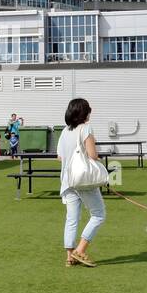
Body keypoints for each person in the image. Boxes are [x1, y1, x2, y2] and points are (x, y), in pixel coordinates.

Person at [56, 97, 105, 268]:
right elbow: (92, 155)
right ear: (84, 112)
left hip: (67, 181)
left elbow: (59, 157)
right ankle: (80, 249)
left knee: (71, 219)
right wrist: (98, 159)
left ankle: (69, 257)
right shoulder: (86, 129)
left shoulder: (64, 131)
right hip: (83, 180)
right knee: (98, 214)